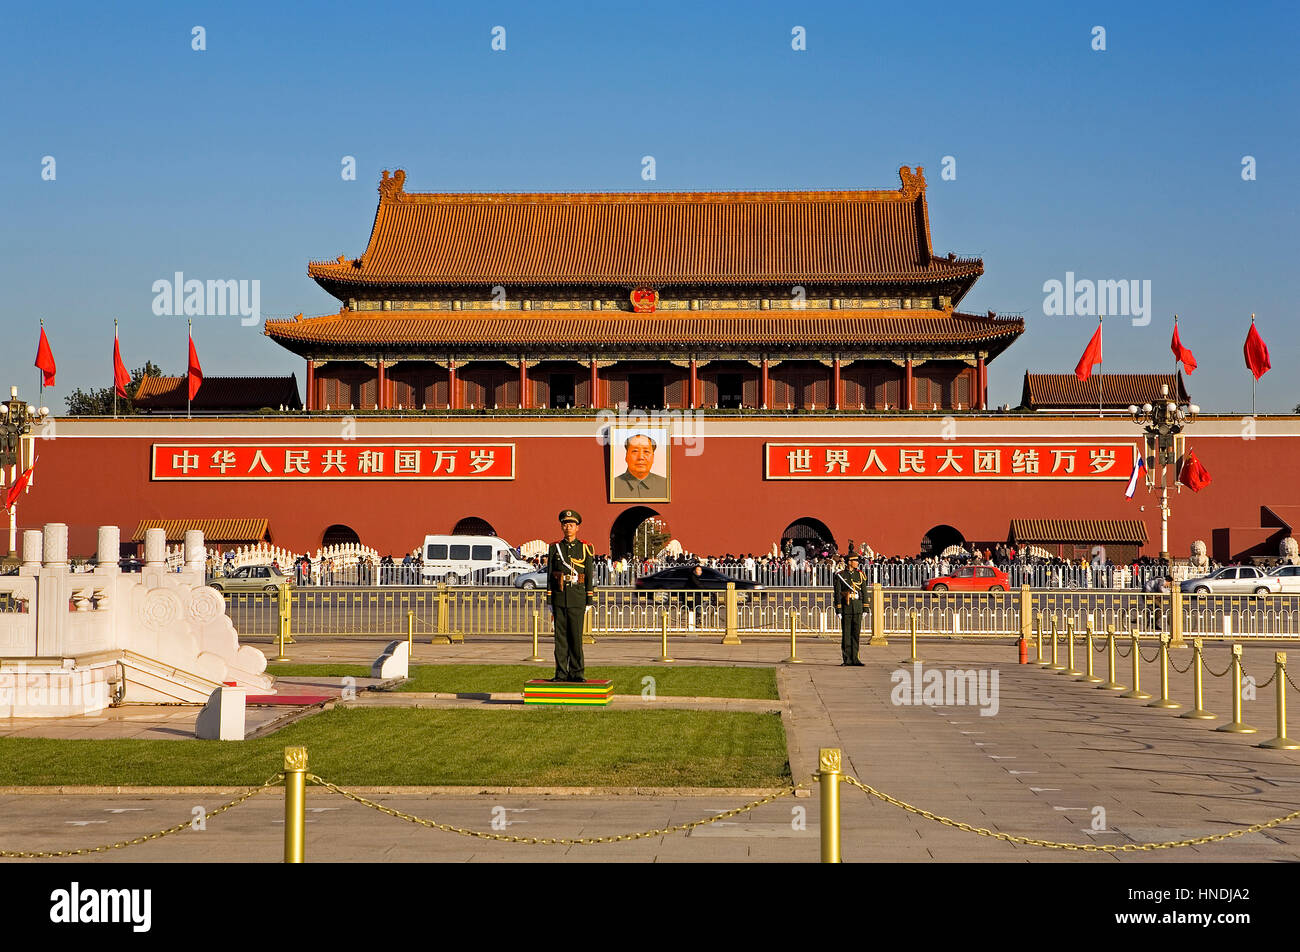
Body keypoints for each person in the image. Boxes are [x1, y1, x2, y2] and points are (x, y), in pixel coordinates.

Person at [547, 509, 597, 682]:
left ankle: (577, 673)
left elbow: (589, 575)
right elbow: (550, 576)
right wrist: (549, 599)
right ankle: (561, 673)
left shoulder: (585, 548)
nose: (568, 527)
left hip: (577, 597)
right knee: (560, 639)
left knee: (575, 638)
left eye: (571, 524)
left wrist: (589, 599)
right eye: (565, 524)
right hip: (560, 597)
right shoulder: (555, 548)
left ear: (577, 528)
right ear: (561, 526)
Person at [833, 552, 868, 666]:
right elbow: (837, 594)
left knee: (856, 634)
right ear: (849, 562)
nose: (857, 563)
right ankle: (847, 659)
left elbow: (864, 592)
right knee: (846, 635)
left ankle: (855, 659)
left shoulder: (860, 575)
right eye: (855, 561)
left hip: (857, 607)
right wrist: (838, 609)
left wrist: (865, 608)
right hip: (846, 608)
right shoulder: (840, 575)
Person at [611, 432, 668, 500]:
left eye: (646, 451)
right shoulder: (612, 486)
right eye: (635, 451)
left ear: (653, 457)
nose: (640, 457)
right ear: (626, 456)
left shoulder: (666, 486)